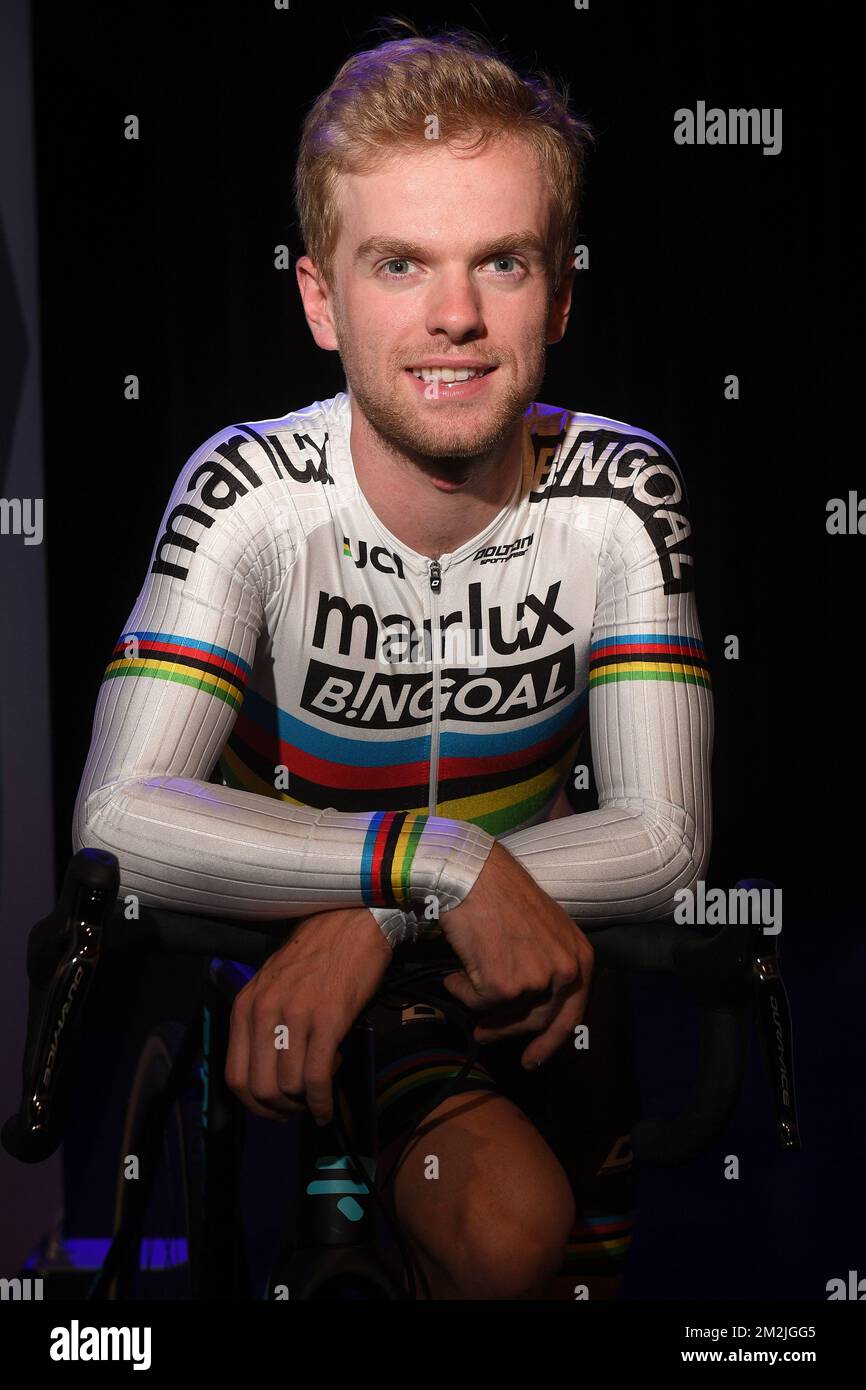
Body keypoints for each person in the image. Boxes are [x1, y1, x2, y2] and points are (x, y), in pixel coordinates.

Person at [71, 23, 713, 1299]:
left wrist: (382, 907)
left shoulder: (620, 484)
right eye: (398, 264)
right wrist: (429, 859)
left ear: (563, 292)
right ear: (320, 297)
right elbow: (118, 825)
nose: (456, 317)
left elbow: (666, 834)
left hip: (508, 949)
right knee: (508, 1229)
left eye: (503, 263)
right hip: (284, 944)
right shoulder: (247, 489)